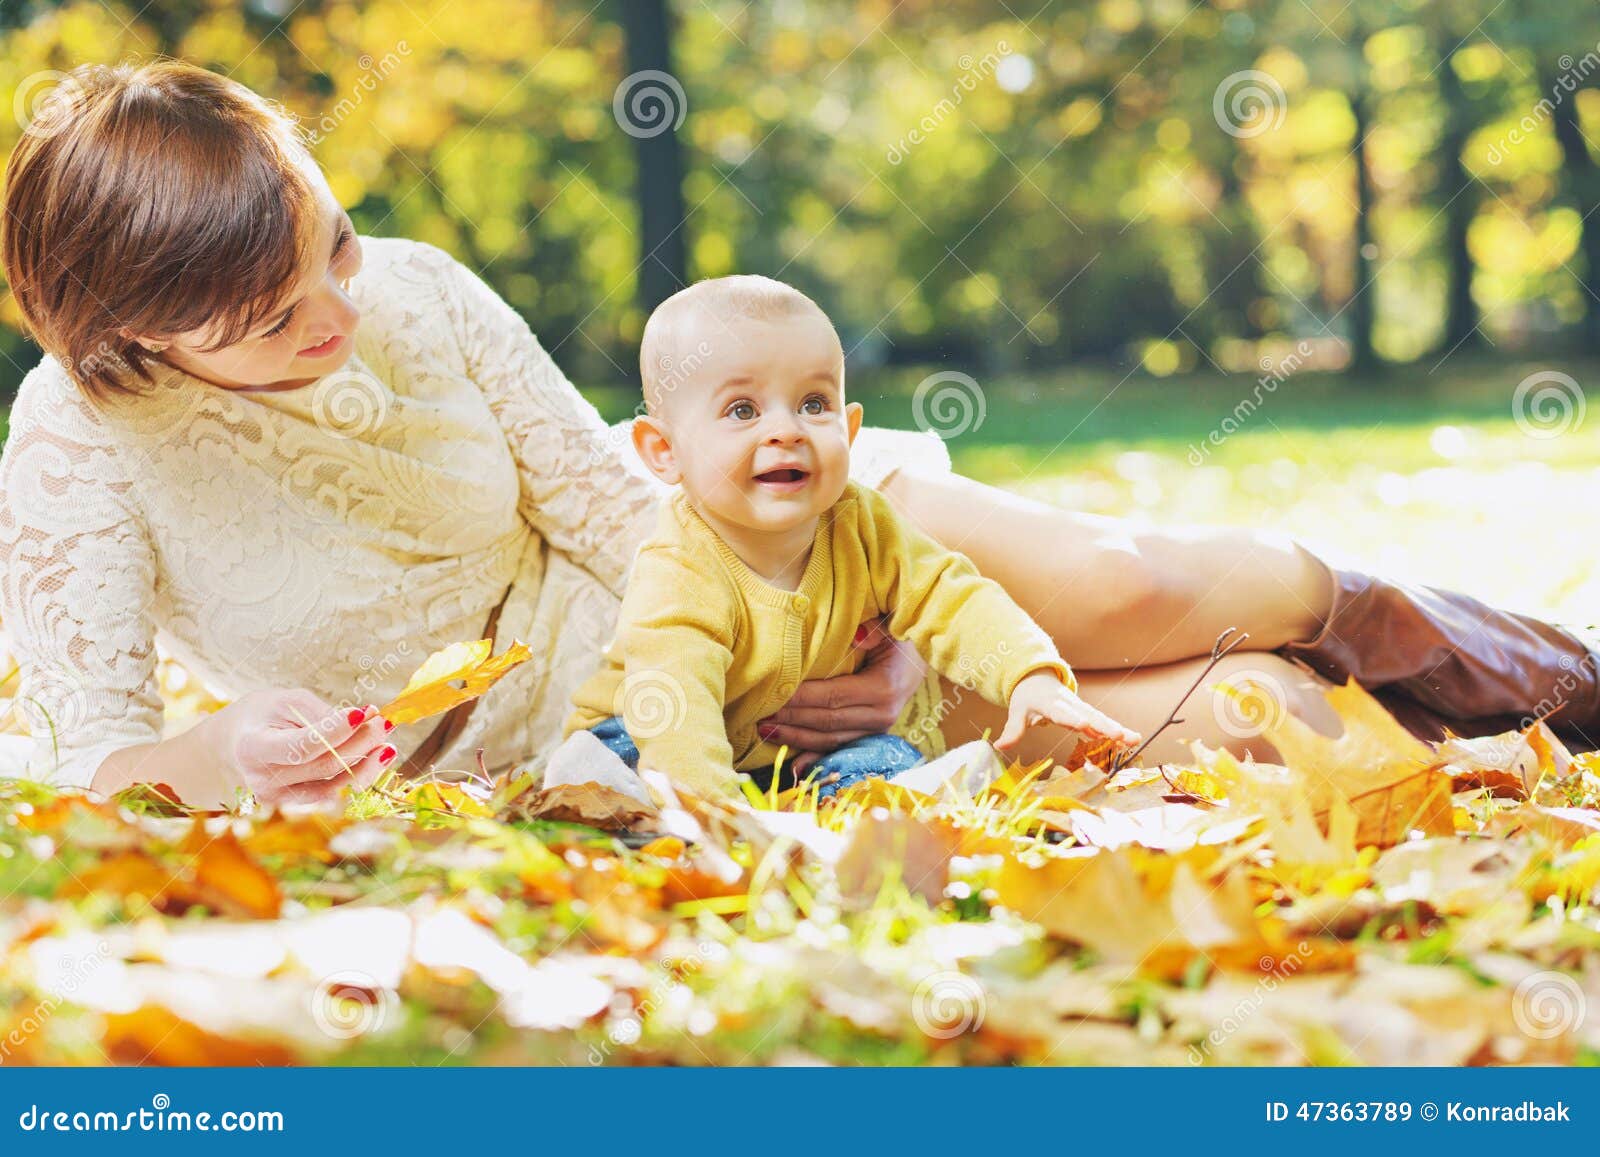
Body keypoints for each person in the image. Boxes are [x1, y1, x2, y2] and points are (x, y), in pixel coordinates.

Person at [1, 61, 1595, 810]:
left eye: (332, 248)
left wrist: (796, 620)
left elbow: (605, 501)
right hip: (628, 728)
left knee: (1125, 589)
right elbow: (90, 759)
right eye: (276, 319)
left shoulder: (413, 291)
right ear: (139, 335)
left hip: (764, 557)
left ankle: (1562, 671)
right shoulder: (78, 445)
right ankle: (1512, 729)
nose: (339, 309)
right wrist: (215, 756)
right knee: (1249, 722)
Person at [565, 275, 1139, 797]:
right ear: (665, 452)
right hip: (650, 733)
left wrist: (1027, 675)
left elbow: (951, 595)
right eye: (742, 410)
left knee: (883, 760)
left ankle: (905, 799)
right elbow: (676, 716)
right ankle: (630, 792)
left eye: (814, 404)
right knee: (615, 769)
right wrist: (720, 819)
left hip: (791, 755)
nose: (785, 430)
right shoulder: (679, 570)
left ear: (849, 428)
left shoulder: (862, 523)